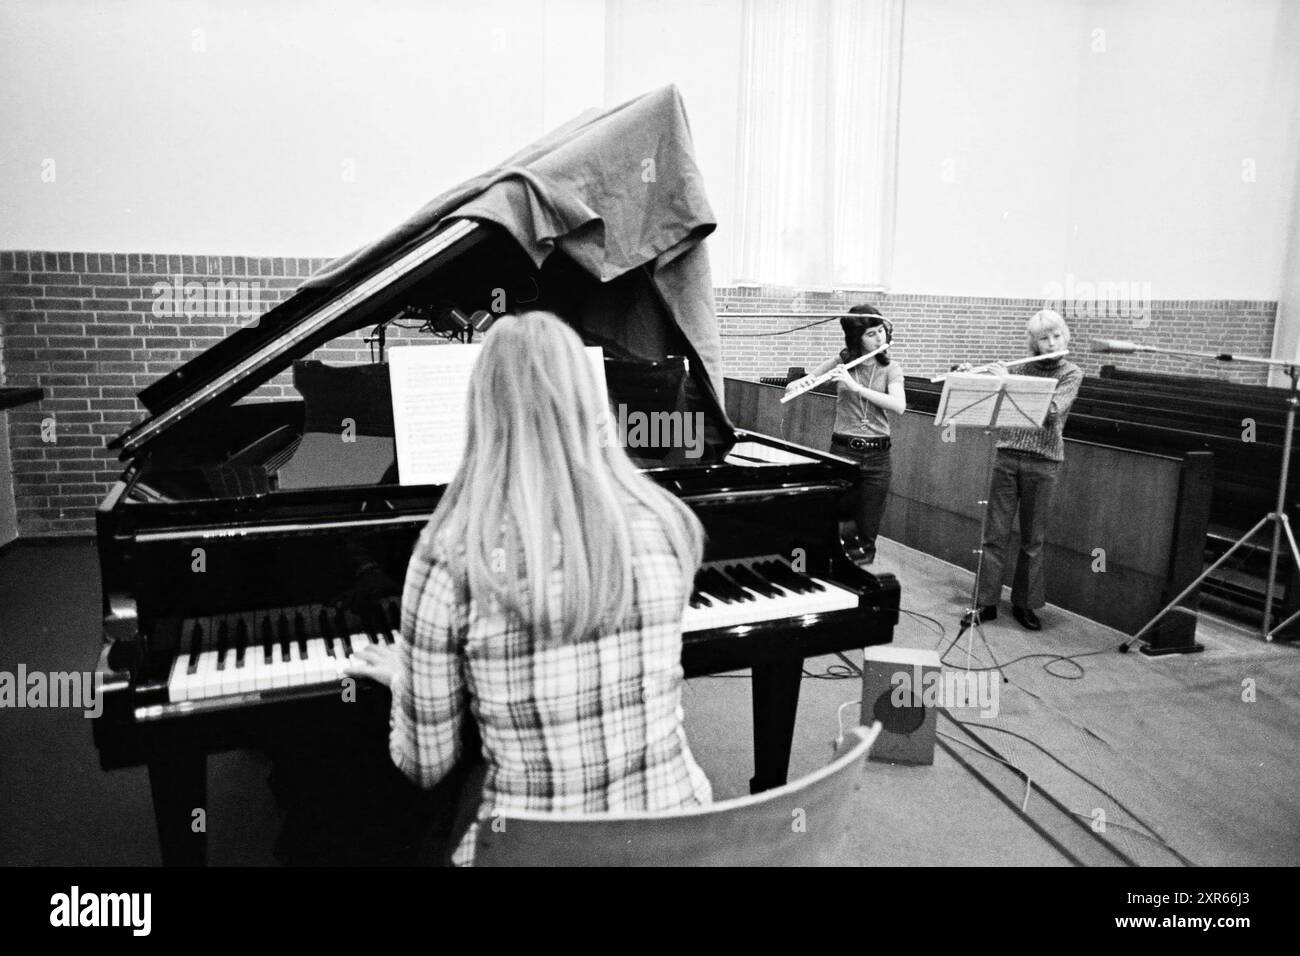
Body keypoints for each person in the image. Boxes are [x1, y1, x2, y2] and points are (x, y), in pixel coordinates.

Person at [345, 310, 713, 865]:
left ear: (482, 412)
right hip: (676, 838)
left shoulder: (450, 553)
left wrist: (407, 678)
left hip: (534, 854)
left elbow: (426, 765)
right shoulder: (664, 521)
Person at [962, 309, 1082, 631]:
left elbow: (1052, 411)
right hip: (1007, 455)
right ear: (1033, 341)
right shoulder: (1022, 368)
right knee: (994, 535)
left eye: (1056, 335)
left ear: (1065, 336)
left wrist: (1007, 382)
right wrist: (969, 375)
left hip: (1043, 461)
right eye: (1044, 338)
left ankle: (1025, 604)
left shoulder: (1071, 373)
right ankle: (985, 602)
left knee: (1033, 539)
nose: (1051, 342)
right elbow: (989, 402)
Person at [786, 304, 906, 565]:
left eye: (881, 331)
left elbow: (899, 405)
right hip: (844, 451)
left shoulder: (891, 368)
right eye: (871, 334)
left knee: (866, 531)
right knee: (838, 523)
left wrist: (855, 387)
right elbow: (795, 386)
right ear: (856, 338)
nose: (879, 338)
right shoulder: (842, 362)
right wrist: (804, 382)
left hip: (878, 455)